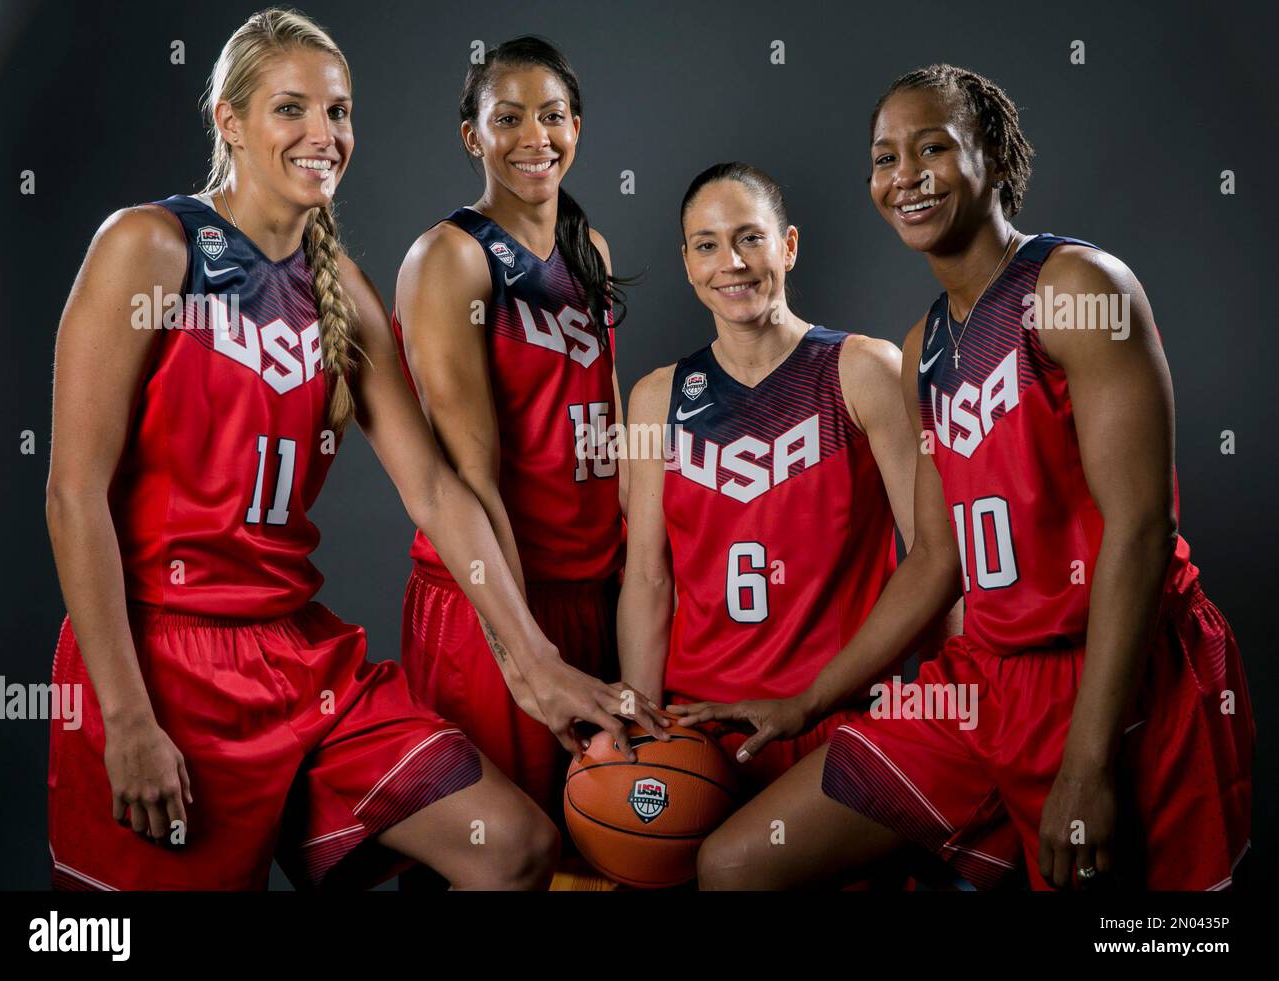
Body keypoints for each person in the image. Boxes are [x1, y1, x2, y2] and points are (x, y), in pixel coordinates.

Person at [45, 9, 647, 892]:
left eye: (339, 112)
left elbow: (436, 490)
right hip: (162, 660)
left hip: (297, 659)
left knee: (513, 845)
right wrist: (126, 713)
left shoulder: (348, 296)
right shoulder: (148, 247)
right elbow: (73, 496)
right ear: (231, 121)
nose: (324, 136)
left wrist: (536, 662)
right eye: (293, 110)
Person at [679, 64, 1254, 891]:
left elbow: (1141, 529)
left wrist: (1088, 765)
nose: (904, 175)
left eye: (932, 147)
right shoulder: (923, 346)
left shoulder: (1076, 288)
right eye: (885, 157)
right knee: (737, 863)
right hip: (986, 683)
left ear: (991, 155)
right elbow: (935, 559)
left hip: (1118, 675)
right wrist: (804, 702)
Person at [391, 36, 665, 823]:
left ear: (577, 127)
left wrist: (639, 574)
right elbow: (468, 479)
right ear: (473, 135)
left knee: (600, 836)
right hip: (495, 598)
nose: (533, 137)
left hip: (590, 589)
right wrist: (524, 650)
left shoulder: (589, 248)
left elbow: (608, 428)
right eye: (507, 118)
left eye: (552, 116)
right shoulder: (451, 257)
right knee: (502, 847)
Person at [620, 162, 924, 795]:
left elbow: (936, 557)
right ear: (687, 263)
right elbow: (649, 578)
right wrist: (644, 726)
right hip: (698, 729)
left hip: (837, 715)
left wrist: (948, 702)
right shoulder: (656, 398)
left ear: (788, 246)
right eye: (707, 245)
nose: (730, 262)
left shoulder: (864, 370)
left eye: (750, 238)